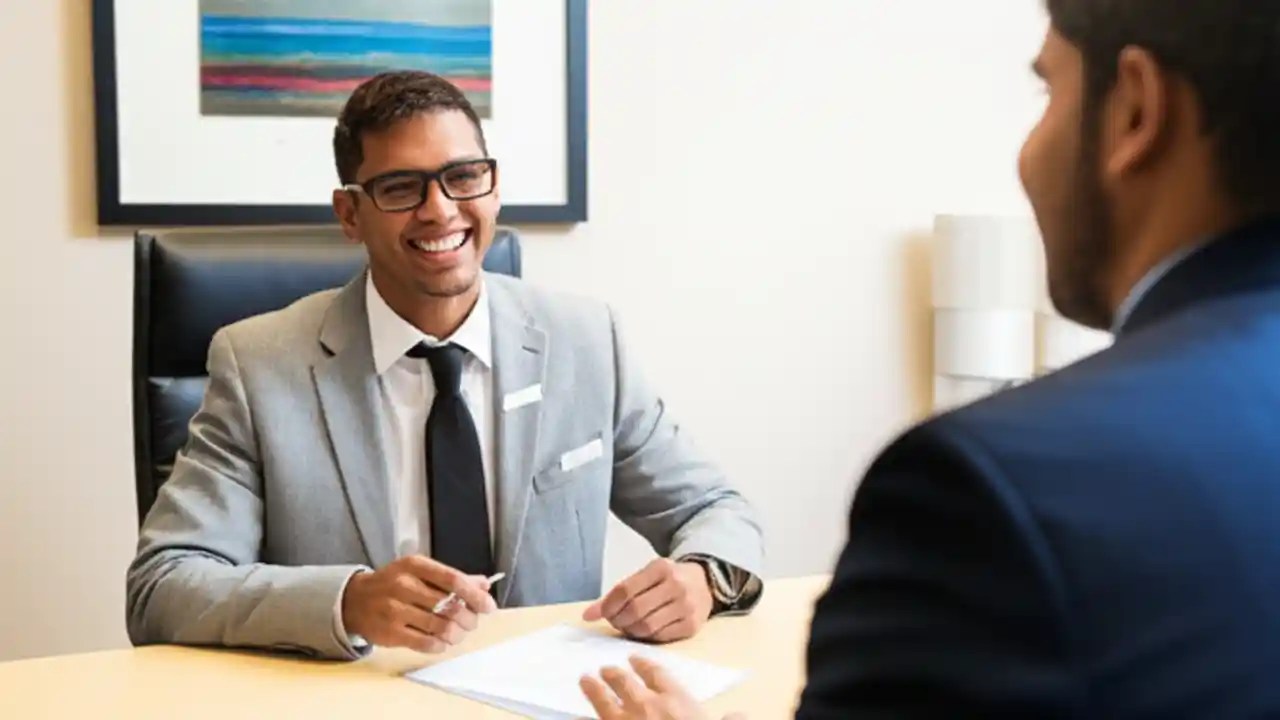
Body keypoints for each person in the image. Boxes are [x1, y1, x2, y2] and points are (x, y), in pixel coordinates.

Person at [581, 0, 1280, 717]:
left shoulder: (981, 493)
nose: (1029, 152)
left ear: (1135, 108)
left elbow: (712, 507)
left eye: (1048, 90)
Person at [126, 71, 764, 661]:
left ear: (493, 186)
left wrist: (702, 577)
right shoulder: (260, 364)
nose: (439, 209)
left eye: (463, 176)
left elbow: (715, 508)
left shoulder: (586, 341)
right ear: (350, 213)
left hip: (540, 699)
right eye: (401, 187)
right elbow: (163, 585)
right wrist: (345, 601)